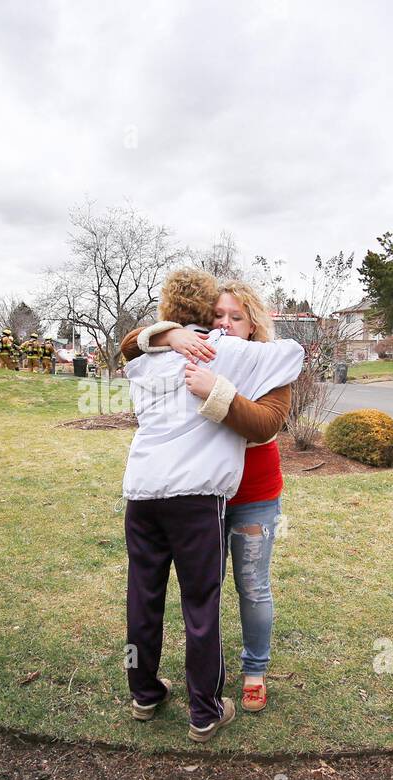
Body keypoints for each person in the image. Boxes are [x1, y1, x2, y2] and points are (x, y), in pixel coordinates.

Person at [122, 269, 304, 743]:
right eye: (217, 314)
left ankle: (144, 692)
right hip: (198, 498)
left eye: (234, 316)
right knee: (202, 602)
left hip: (149, 492)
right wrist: (174, 335)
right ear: (204, 313)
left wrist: (207, 379)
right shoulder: (223, 351)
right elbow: (295, 353)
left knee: (145, 595)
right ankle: (204, 710)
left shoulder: (146, 362)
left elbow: (266, 423)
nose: (223, 323)